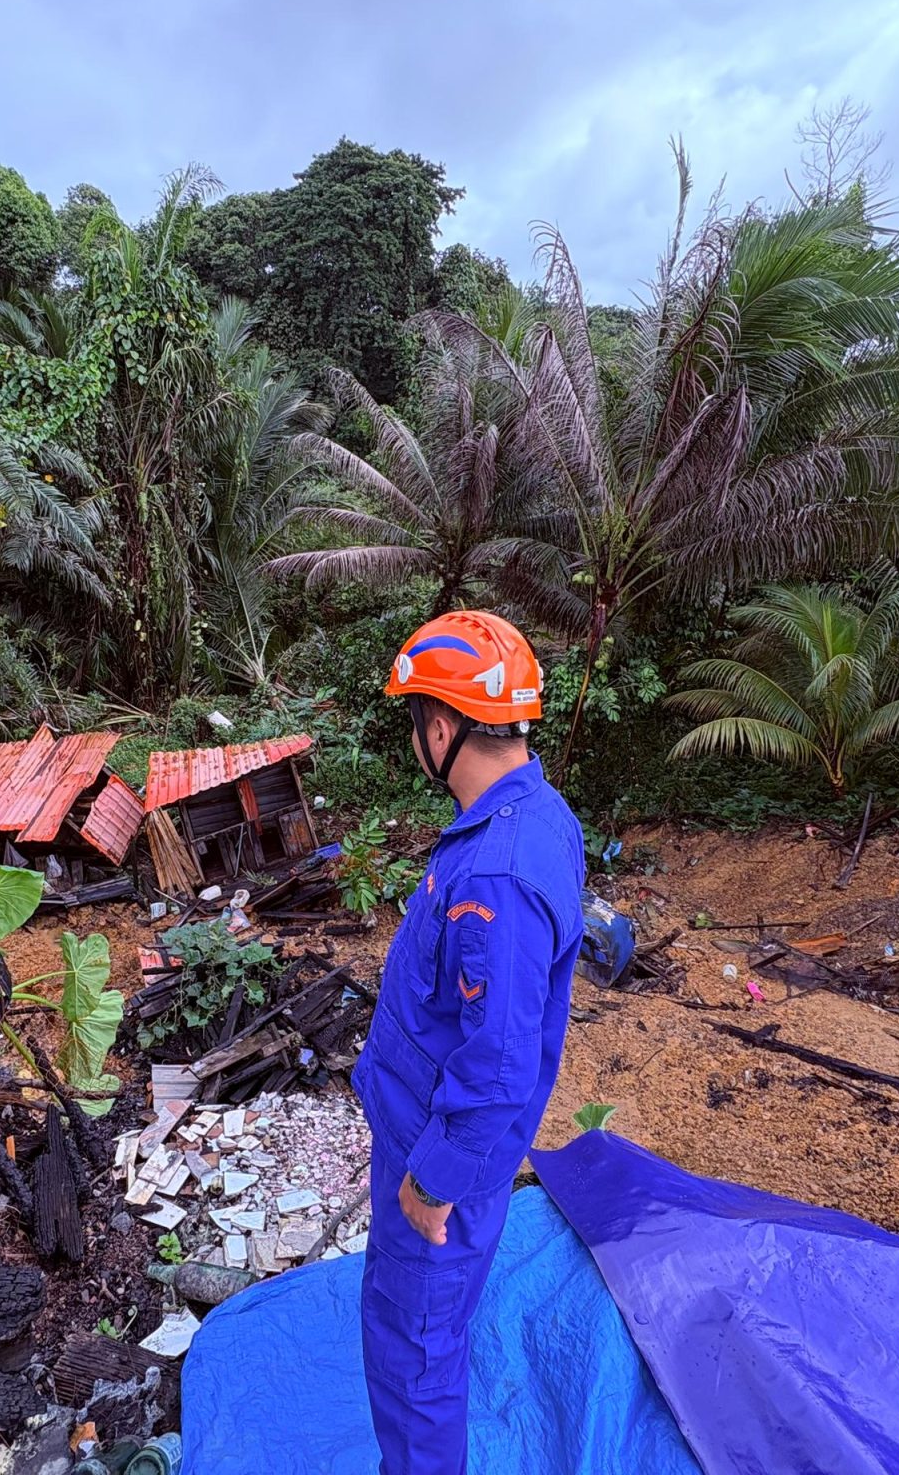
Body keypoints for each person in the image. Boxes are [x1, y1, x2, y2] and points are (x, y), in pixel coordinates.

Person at [352, 610, 587, 1475]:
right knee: (413, 1328)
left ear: (441, 727)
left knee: (413, 1356)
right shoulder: (533, 815)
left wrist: (431, 1183)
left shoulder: (497, 871)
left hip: (440, 1153)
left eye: (416, 720)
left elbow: (497, 1065)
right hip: (427, 1131)